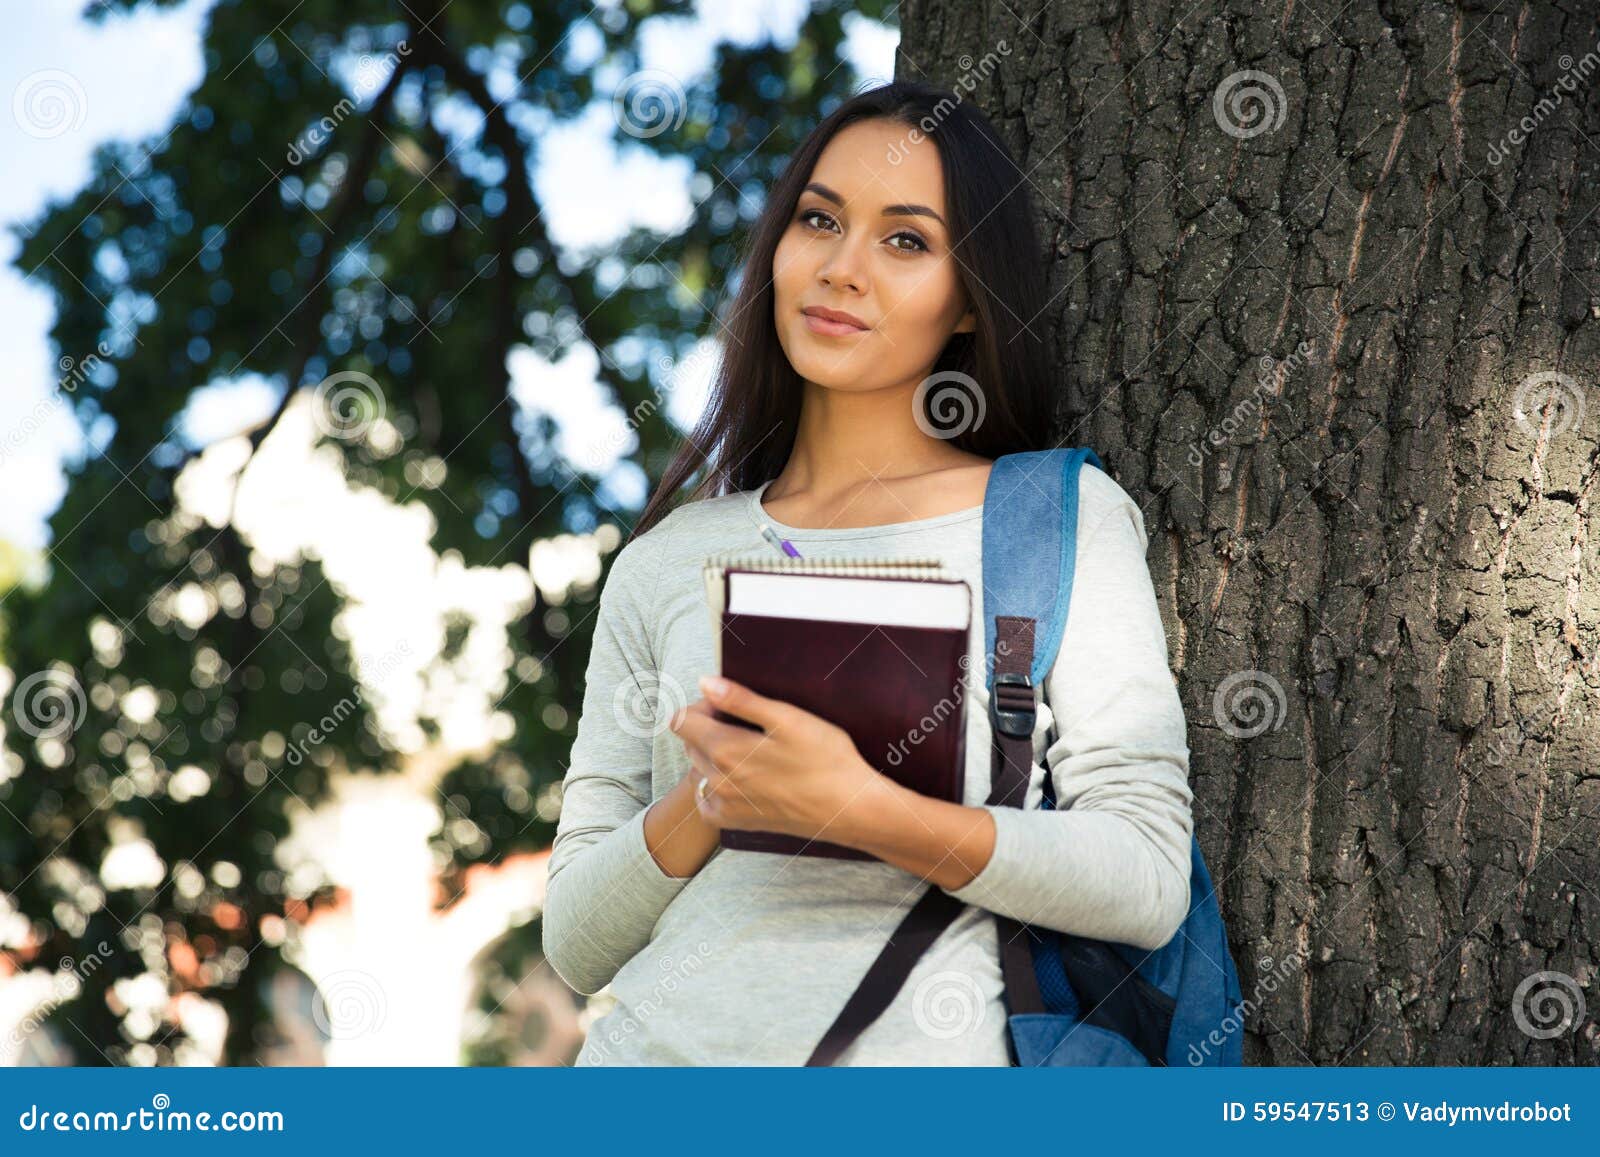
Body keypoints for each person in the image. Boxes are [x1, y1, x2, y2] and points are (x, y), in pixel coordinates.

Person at [541, 80, 1194, 1065]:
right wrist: (713, 794)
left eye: (905, 240)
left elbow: (1146, 875)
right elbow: (575, 940)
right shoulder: (664, 559)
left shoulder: (1054, 521)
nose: (841, 268)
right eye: (819, 220)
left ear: (969, 300)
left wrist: (864, 808)